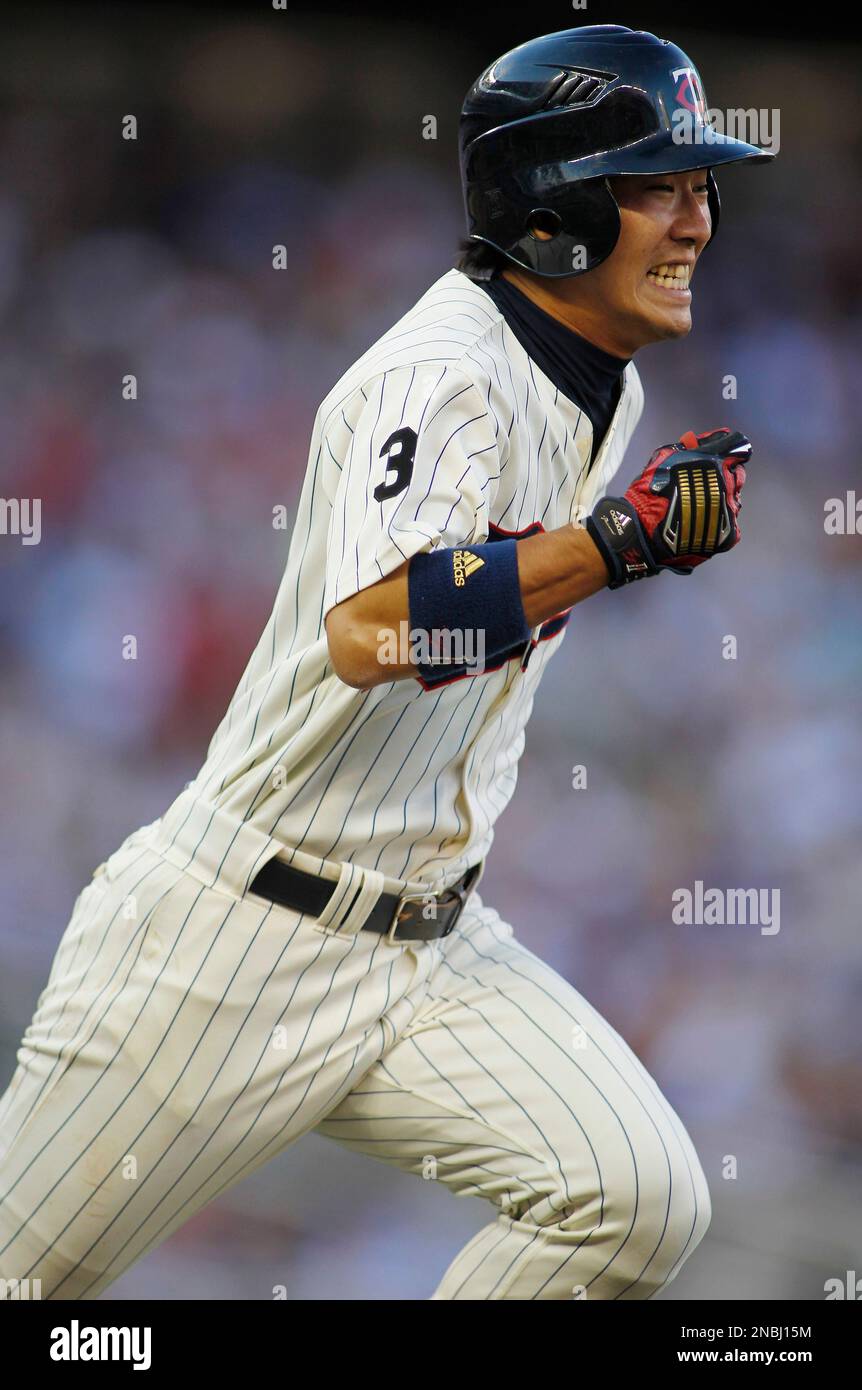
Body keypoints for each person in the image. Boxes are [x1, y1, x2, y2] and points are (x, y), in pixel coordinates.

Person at [0, 24, 772, 1301]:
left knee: (635, 1204)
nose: (694, 222)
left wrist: (608, 545)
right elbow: (371, 630)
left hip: (430, 947)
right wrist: (617, 543)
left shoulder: (604, 387)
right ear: (555, 205)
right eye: (657, 186)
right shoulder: (440, 372)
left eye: (700, 189)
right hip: (231, 940)